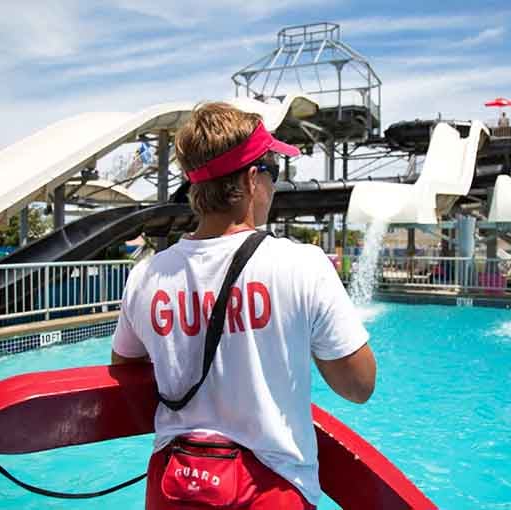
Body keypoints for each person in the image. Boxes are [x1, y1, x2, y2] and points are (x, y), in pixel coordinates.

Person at [111, 102, 376, 509]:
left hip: (175, 490)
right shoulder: (301, 265)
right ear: (253, 180)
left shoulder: (146, 276)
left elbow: (124, 373)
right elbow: (358, 386)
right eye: (273, 173)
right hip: (271, 492)